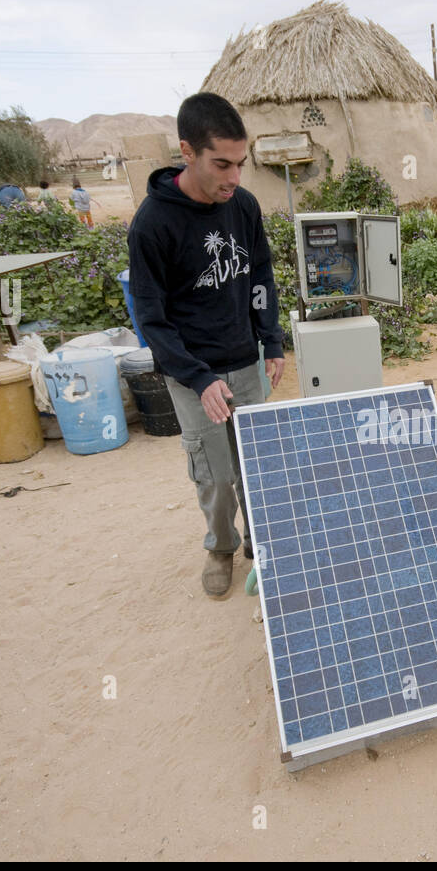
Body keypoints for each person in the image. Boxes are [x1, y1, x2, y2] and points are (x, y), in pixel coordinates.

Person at [126, 93, 285, 597]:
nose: (233, 177)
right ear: (187, 152)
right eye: (221, 164)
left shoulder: (242, 205)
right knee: (215, 474)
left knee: (258, 466)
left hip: (246, 360)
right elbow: (151, 319)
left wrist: (271, 338)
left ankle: (261, 545)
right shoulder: (153, 224)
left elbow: (259, 272)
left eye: (240, 164)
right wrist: (198, 377)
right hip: (194, 375)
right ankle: (220, 546)